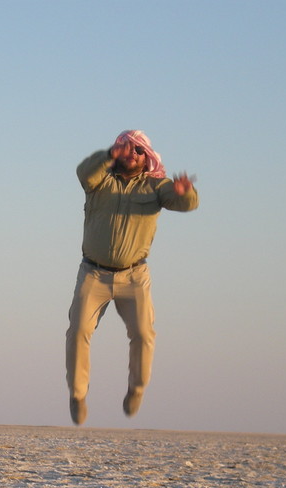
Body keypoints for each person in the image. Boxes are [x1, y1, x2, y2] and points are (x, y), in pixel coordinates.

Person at [66, 130, 199, 425]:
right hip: (93, 273)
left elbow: (185, 203)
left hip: (134, 276)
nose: (133, 155)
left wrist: (184, 192)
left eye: (139, 151)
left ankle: (136, 389)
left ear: (147, 157)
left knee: (143, 333)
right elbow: (83, 173)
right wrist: (108, 156)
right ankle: (78, 395)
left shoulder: (156, 185)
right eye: (127, 149)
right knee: (78, 331)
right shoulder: (100, 180)